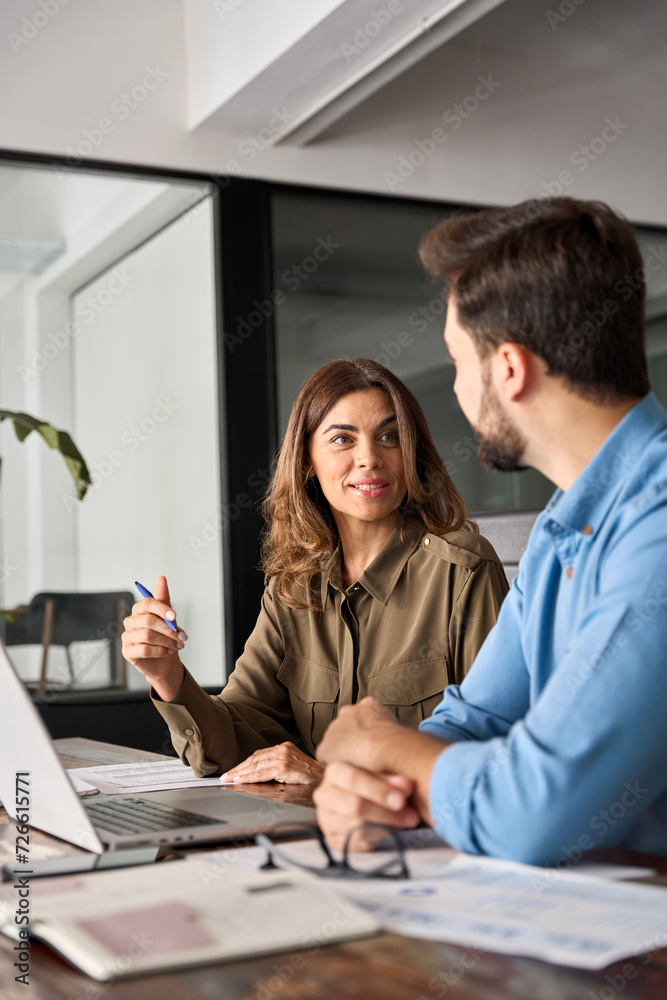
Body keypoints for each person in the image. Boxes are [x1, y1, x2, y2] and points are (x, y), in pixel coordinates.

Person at [313, 196, 667, 864]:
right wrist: (379, 782)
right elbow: (478, 719)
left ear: (507, 369)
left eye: (455, 362)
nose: (453, 390)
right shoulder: (562, 527)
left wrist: (380, 745)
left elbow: (533, 808)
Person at [122, 359, 508, 784]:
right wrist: (167, 674)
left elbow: (495, 761)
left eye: (389, 436)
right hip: (319, 838)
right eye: (343, 439)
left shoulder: (464, 571)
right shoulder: (293, 586)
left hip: (429, 841)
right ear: (307, 461)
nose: (369, 458)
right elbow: (231, 744)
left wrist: (327, 777)